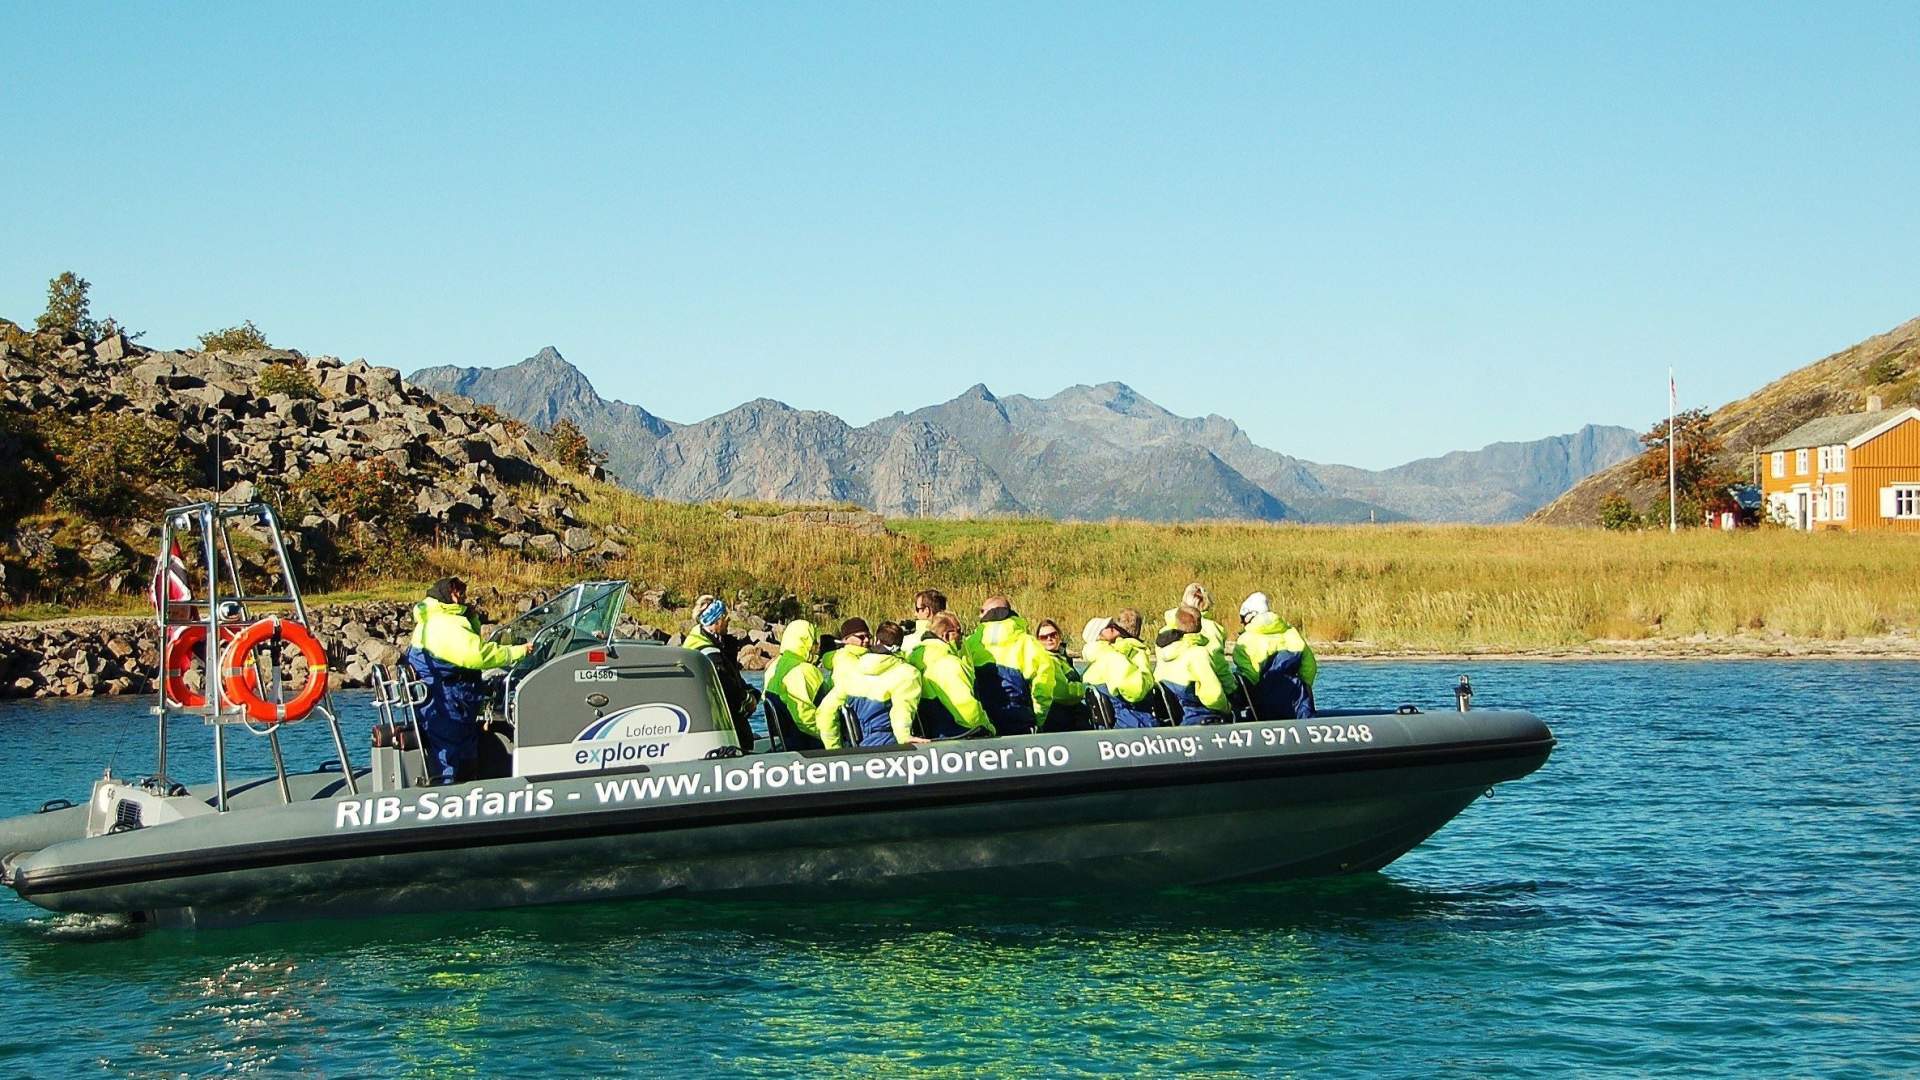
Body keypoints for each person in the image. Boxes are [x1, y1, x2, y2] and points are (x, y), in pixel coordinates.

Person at [405, 577, 530, 784]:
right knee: (451, 755)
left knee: (462, 751)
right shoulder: (444, 624)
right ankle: (449, 797)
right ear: (448, 594)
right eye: (459, 593)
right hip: (448, 698)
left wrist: (471, 617)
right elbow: (476, 655)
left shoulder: (433, 618)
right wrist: (517, 652)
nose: (464, 597)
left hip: (450, 695)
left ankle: (464, 789)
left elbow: (469, 644)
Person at [818, 619, 925, 748]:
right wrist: (904, 737)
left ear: (876, 640)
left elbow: (824, 713)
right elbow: (902, 709)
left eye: (868, 636)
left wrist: (834, 751)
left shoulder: (854, 671)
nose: (866, 641)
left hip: (857, 748)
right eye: (862, 637)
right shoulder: (908, 673)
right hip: (889, 745)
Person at [964, 596, 1060, 736]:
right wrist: (1038, 720)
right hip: (1018, 721)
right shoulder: (1029, 644)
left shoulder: (969, 644)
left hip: (982, 723)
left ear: (989, 612)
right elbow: (1043, 688)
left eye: (981, 611)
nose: (979, 614)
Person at [684, 596, 758, 751]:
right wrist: (747, 699)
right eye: (725, 618)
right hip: (723, 725)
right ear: (717, 620)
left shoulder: (698, 641)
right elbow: (727, 687)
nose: (728, 621)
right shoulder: (709, 652)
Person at [1232, 593, 1318, 720]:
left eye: (1243, 617)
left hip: (1265, 701)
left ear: (1251, 615)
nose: (1242, 622)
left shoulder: (1244, 640)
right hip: (1296, 696)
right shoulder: (1292, 633)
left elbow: (1250, 678)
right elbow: (1309, 668)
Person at [907, 612, 993, 738]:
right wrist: (987, 726)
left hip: (928, 737)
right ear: (947, 635)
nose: (962, 638)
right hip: (956, 735)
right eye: (959, 632)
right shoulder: (948, 663)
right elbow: (967, 709)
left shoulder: (914, 658)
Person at [1154, 604, 1231, 725]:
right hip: (1201, 717)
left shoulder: (1163, 651)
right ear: (1200, 625)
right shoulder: (1198, 653)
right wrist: (1228, 708)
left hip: (1178, 719)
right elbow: (1214, 697)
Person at [1081, 610, 1157, 728]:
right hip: (1129, 722)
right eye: (1107, 626)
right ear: (1098, 636)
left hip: (1106, 727)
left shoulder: (1095, 660)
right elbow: (1136, 692)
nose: (1113, 625)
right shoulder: (1113, 657)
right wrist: (1149, 680)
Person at [765, 618, 829, 750]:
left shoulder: (772, 667)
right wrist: (832, 736)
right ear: (807, 641)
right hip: (808, 746)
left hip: (785, 743)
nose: (816, 645)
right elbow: (804, 718)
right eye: (814, 641)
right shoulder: (804, 670)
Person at [1162, 582, 1232, 684]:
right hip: (1196, 688)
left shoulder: (1165, 630)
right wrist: (1232, 689)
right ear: (1207, 603)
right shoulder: (1212, 628)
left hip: (1165, 689)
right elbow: (1219, 666)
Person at [1034, 618, 1088, 731]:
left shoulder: (1062, 658)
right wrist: (1085, 689)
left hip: (1071, 715)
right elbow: (1061, 692)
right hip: (1056, 717)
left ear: (1059, 635)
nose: (1049, 639)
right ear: (1038, 641)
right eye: (1044, 637)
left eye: (1053, 635)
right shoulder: (1047, 660)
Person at [901, 589, 948, 654]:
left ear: (926, 611)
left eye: (917, 609)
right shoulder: (954, 638)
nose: (915, 614)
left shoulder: (907, 642)